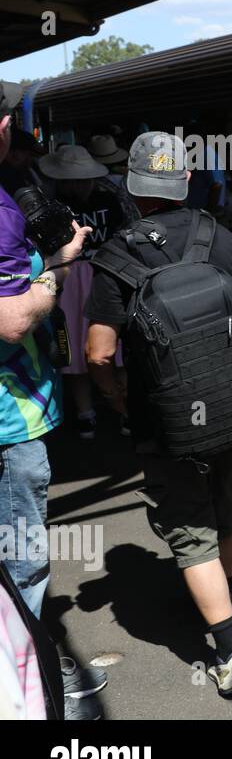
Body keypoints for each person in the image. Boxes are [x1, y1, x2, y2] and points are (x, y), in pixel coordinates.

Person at [85, 131, 232, 698]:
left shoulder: (117, 257)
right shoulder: (224, 240)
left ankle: (230, 651)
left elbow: (96, 351)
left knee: (189, 528)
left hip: (167, 420)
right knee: (224, 502)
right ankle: (228, 596)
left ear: (135, 190)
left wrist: (118, 398)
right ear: (185, 180)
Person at [0, 116, 92, 618]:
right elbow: (12, 320)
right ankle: (26, 684)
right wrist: (57, 267)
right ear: (6, 126)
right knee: (23, 563)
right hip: (9, 421)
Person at [33, 145, 138, 440]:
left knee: (114, 348)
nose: (79, 184)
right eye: (73, 179)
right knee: (76, 349)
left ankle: (126, 410)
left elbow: (124, 232)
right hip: (70, 278)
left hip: (106, 273)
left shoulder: (111, 198)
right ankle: (86, 414)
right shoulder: (52, 205)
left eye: (83, 178)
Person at [0, 128, 47, 198]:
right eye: (30, 155)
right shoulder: (11, 179)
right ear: (14, 154)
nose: (32, 159)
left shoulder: (24, 173)